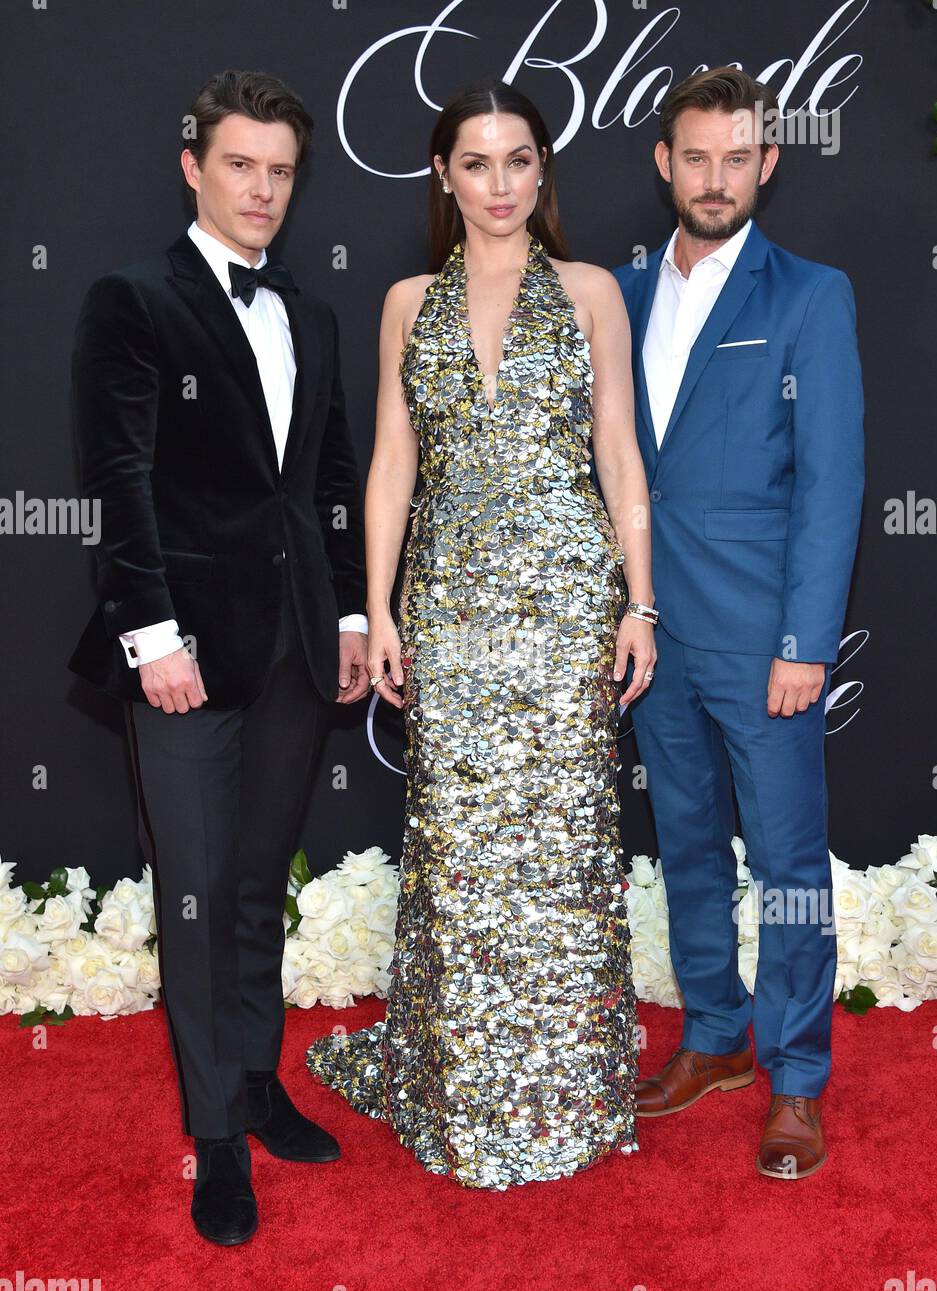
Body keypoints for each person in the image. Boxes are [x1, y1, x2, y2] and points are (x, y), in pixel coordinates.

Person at [306, 80, 656, 1191]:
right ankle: (460, 1084)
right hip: (452, 603)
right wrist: (385, 604)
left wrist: (639, 602)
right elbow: (392, 462)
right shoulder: (408, 300)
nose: (499, 185)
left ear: (542, 171)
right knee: (461, 857)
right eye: (476, 163)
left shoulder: (593, 289)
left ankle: (569, 1089)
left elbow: (618, 454)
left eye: (518, 161)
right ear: (443, 177)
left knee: (560, 852)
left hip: (565, 607)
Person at [68, 69, 370, 1243]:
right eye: (240, 165)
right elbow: (119, 478)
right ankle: (216, 1140)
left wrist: (348, 617)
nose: (262, 189)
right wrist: (152, 638)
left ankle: (253, 1076)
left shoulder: (313, 312)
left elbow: (329, 482)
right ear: (194, 168)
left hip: (296, 649)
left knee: (255, 884)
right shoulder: (131, 298)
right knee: (193, 899)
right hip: (182, 655)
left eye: (281, 171)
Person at [614, 67, 864, 1178]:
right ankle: (714, 1035)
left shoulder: (811, 293)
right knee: (686, 848)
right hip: (650, 634)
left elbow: (832, 482)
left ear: (768, 163)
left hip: (765, 640)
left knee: (790, 861)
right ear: (665, 163)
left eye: (738, 157)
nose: (716, 178)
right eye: (695, 156)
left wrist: (807, 644)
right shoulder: (614, 295)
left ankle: (798, 1077)